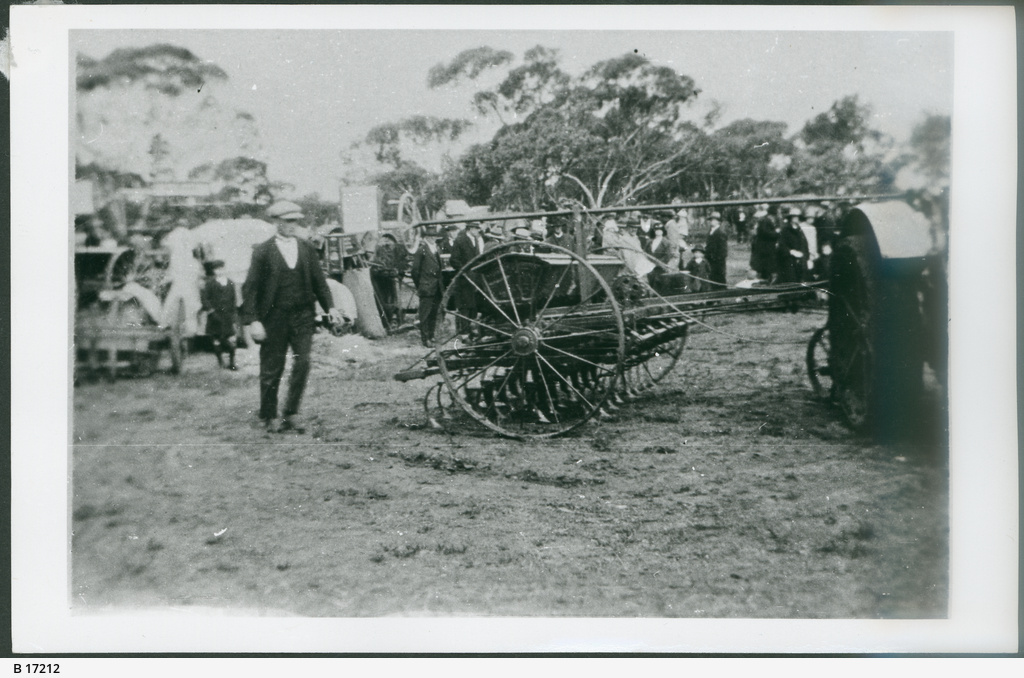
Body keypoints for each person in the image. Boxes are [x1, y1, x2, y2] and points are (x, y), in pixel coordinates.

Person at [241, 200, 341, 434]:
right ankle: (269, 415)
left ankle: (291, 412)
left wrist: (331, 307)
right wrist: (253, 321)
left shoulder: (306, 248)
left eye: (295, 221)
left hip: (302, 315)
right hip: (273, 317)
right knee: (272, 368)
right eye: (287, 221)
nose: (292, 225)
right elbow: (250, 288)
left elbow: (319, 282)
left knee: (303, 363)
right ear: (276, 222)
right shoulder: (263, 251)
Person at [200, 259, 239, 370]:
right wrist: (211, 311)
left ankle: (232, 362)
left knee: (231, 338)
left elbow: (233, 300)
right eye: (216, 269)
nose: (219, 271)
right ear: (214, 271)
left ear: (224, 269)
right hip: (215, 316)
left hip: (227, 316)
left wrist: (234, 315)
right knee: (216, 339)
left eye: (221, 269)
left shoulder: (230, 283)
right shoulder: (210, 283)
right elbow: (205, 299)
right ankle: (220, 361)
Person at [449, 221, 486, 335]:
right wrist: (464, 271)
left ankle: (471, 330)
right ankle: (464, 333)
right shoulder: (460, 240)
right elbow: (454, 260)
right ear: (470, 229)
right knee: (465, 306)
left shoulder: (475, 240)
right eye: (476, 229)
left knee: (473, 305)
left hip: (474, 278)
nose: (478, 231)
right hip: (464, 279)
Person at [411, 228, 445, 347]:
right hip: (427, 287)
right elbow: (415, 271)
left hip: (437, 287)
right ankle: (425, 339)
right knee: (425, 314)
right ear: (426, 238)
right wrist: (421, 284)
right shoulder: (422, 250)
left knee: (434, 313)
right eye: (431, 237)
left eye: (435, 236)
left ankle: (431, 336)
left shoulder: (436, 249)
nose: (433, 239)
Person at [370, 233, 407, 330]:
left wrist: (397, 271)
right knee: (383, 299)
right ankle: (388, 320)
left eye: (389, 240)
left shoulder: (398, 250)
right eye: (384, 240)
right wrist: (381, 271)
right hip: (380, 279)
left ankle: (395, 318)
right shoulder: (378, 251)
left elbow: (402, 264)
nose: (386, 242)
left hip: (393, 278)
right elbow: (374, 266)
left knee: (393, 298)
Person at [775, 207, 811, 284]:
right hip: (788, 261)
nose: (796, 218)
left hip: (800, 261)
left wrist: (807, 258)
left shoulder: (800, 230)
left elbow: (804, 245)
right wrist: (791, 251)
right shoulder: (785, 230)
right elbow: (781, 245)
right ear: (790, 218)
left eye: (797, 217)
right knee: (790, 280)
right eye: (794, 216)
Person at [749, 203, 778, 282]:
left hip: (763, 246)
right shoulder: (765, 221)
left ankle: (765, 278)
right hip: (766, 246)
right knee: (767, 264)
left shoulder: (763, 221)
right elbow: (765, 233)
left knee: (764, 264)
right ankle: (766, 278)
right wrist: (777, 233)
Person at [704, 211, 728, 288]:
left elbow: (723, 249)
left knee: (719, 276)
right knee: (711, 276)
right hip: (710, 258)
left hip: (718, 260)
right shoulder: (710, 231)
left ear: (719, 221)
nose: (712, 221)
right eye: (711, 220)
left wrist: (718, 258)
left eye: (714, 220)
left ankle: (722, 291)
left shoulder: (721, 232)